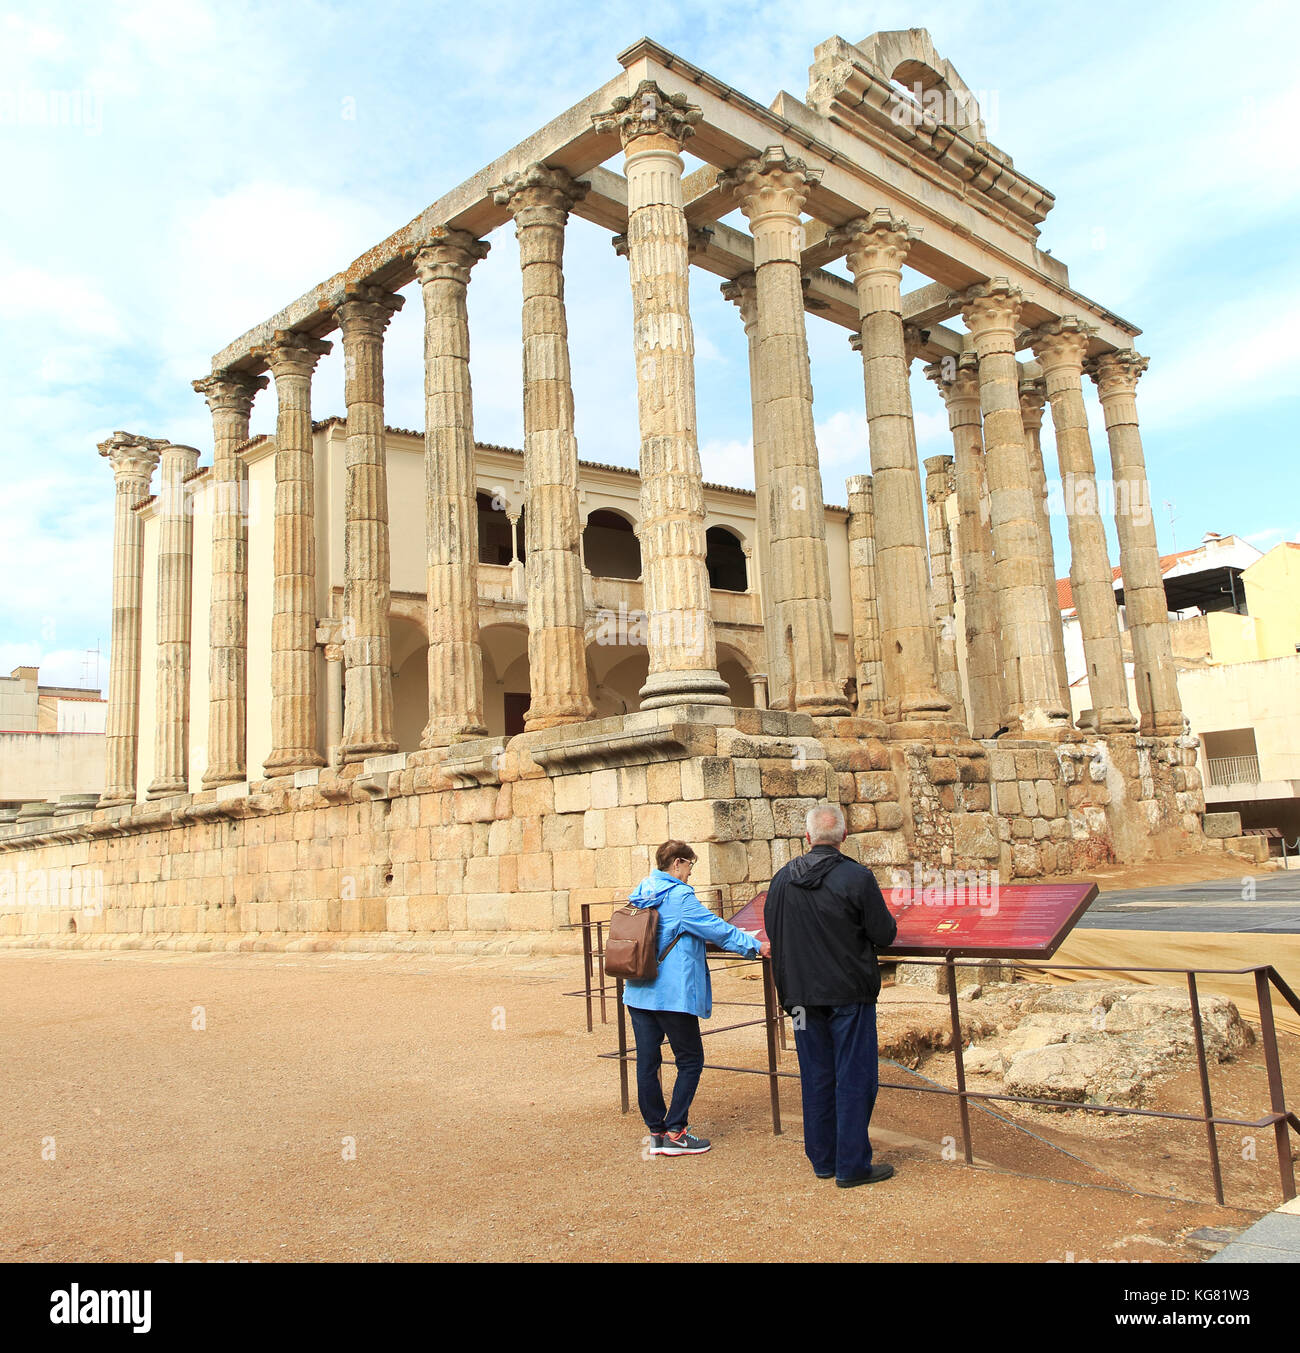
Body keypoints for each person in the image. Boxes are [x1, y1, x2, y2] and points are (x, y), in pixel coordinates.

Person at [764, 803, 898, 1187]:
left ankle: (823, 1158)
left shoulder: (781, 879)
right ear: (843, 836)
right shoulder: (856, 877)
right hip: (846, 995)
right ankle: (852, 1165)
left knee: (816, 1075)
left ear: (807, 837)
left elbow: (775, 929)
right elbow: (884, 934)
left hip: (802, 998)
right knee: (854, 1077)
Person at [622, 839, 766, 1156]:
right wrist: (754, 946)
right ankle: (676, 1132)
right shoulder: (679, 897)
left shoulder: (643, 890)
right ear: (677, 864)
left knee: (648, 1063)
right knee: (690, 1060)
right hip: (671, 994)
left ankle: (657, 1133)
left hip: (638, 992)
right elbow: (715, 929)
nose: (690, 873)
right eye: (689, 865)